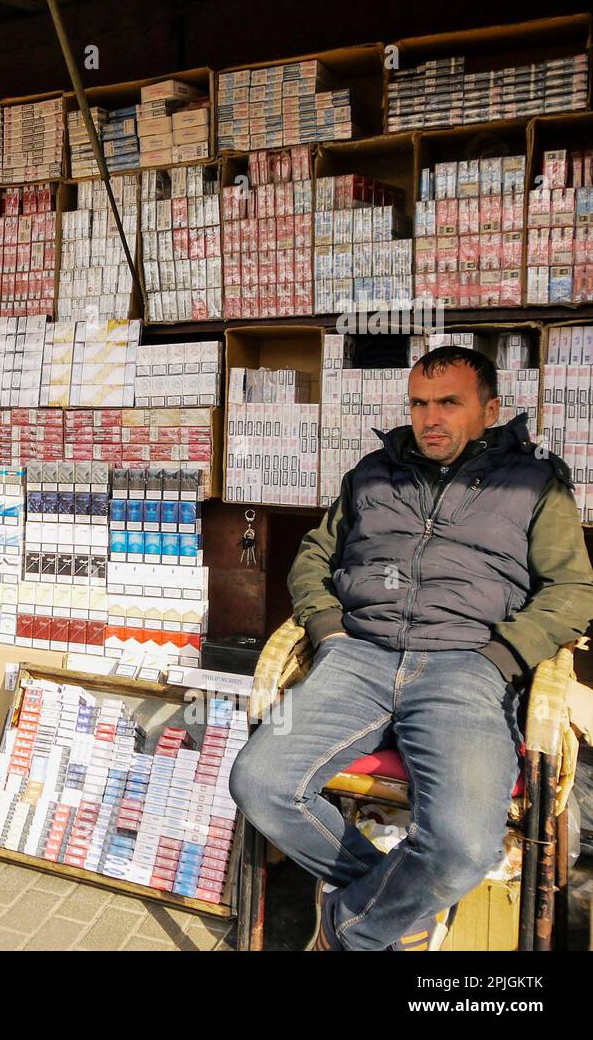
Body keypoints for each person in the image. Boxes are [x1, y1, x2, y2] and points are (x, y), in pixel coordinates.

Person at [229, 345, 593, 951]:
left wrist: (500, 658)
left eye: (449, 402)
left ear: (490, 408)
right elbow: (315, 557)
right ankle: (391, 912)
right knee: (260, 782)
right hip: (357, 657)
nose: (431, 418)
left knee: (461, 850)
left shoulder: (534, 482)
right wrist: (327, 628)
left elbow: (573, 590)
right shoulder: (373, 472)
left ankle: (350, 928)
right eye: (420, 404)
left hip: (468, 667)